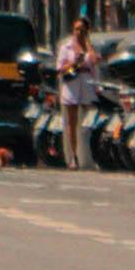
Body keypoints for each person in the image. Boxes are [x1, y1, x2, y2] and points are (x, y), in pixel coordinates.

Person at [54, 15, 99, 169]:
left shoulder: (89, 47)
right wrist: (74, 62)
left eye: (82, 29)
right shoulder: (66, 47)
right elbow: (59, 68)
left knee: (87, 121)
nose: (79, 32)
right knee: (72, 122)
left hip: (86, 84)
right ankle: (73, 156)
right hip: (71, 83)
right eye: (76, 29)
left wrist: (87, 45)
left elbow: (93, 61)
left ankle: (90, 154)